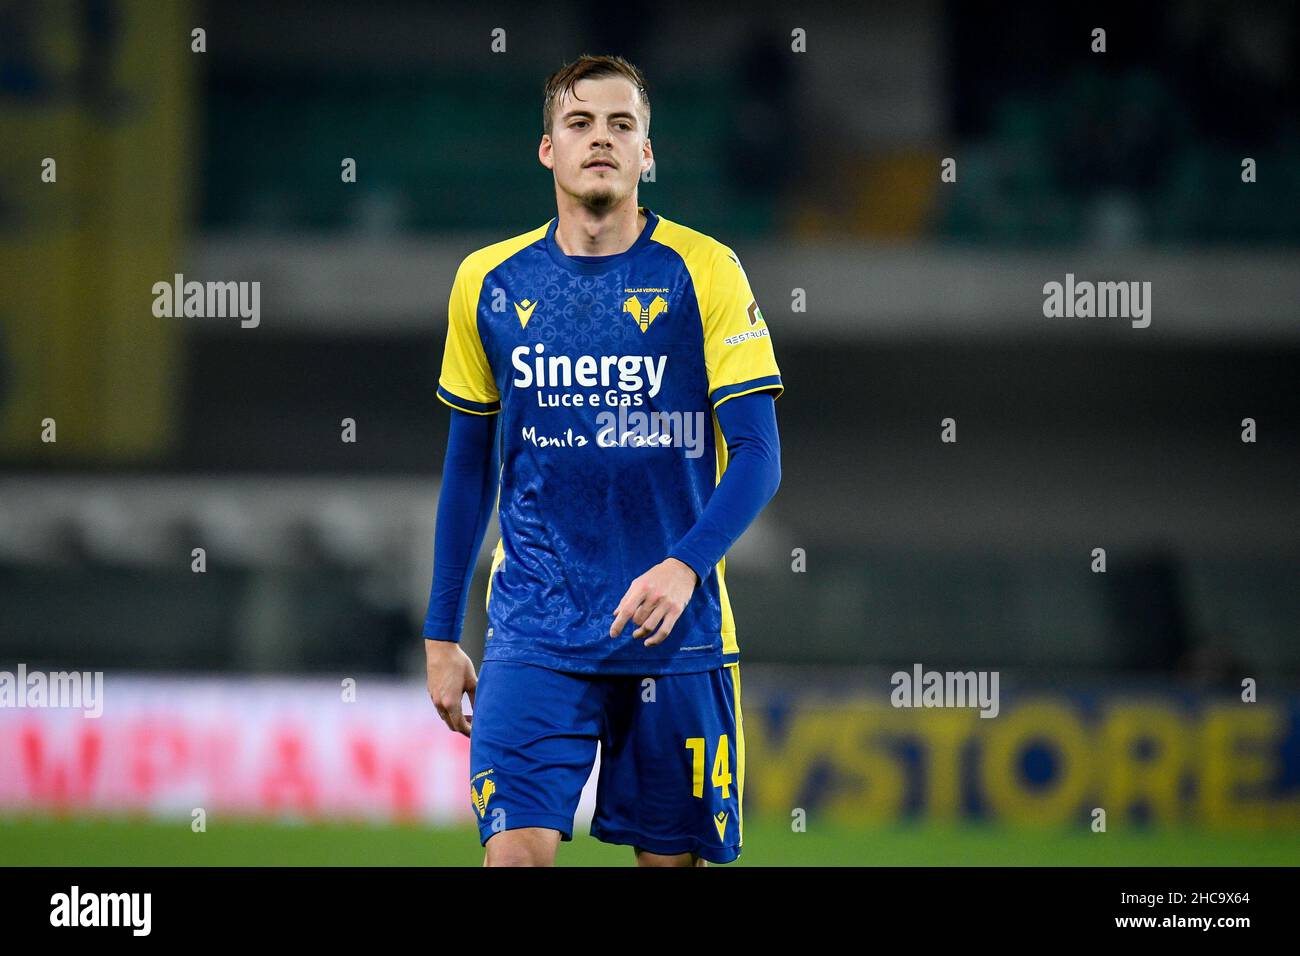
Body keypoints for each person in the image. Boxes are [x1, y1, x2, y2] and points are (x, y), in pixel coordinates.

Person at [423, 54, 783, 867]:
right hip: (535, 627)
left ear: (648, 154)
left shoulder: (707, 271)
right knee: (514, 856)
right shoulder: (486, 282)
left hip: (676, 633)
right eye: (580, 123)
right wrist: (442, 633)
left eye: (623, 125)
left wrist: (686, 566)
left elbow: (759, 454)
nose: (601, 139)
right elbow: (468, 468)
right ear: (547, 148)